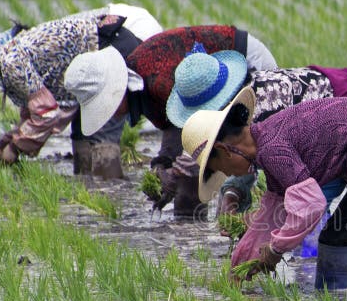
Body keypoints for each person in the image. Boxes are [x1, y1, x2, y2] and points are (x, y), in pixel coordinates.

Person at [181, 89, 347, 298]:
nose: (226, 173)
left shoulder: (272, 147)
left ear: (224, 150)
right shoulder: (266, 145)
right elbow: (271, 214)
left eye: (220, 168)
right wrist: (239, 267)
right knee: (335, 239)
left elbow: (311, 205)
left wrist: (275, 249)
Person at [64, 26, 276, 216]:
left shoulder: (157, 81)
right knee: (191, 173)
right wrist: (162, 165)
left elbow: (201, 135)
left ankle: (234, 227)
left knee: (231, 161)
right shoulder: (143, 87)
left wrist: (174, 175)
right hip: (213, 89)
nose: (110, 116)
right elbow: (174, 128)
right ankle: (193, 228)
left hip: (243, 65)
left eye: (106, 107)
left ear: (116, 93)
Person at [0, 3, 161, 178]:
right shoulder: (9, 59)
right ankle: (89, 191)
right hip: (102, 54)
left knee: (100, 133)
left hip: (109, 53)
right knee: (83, 132)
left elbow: (48, 114)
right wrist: (11, 138)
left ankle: (110, 195)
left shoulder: (11, 64)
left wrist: (15, 148)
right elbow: (35, 110)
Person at [163, 46, 347, 219]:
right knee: (299, 209)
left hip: (345, 119)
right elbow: (243, 156)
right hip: (324, 126)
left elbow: (251, 156)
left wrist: (241, 202)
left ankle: (311, 256)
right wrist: (232, 193)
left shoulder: (256, 109)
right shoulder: (238, 108)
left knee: (308, 209)